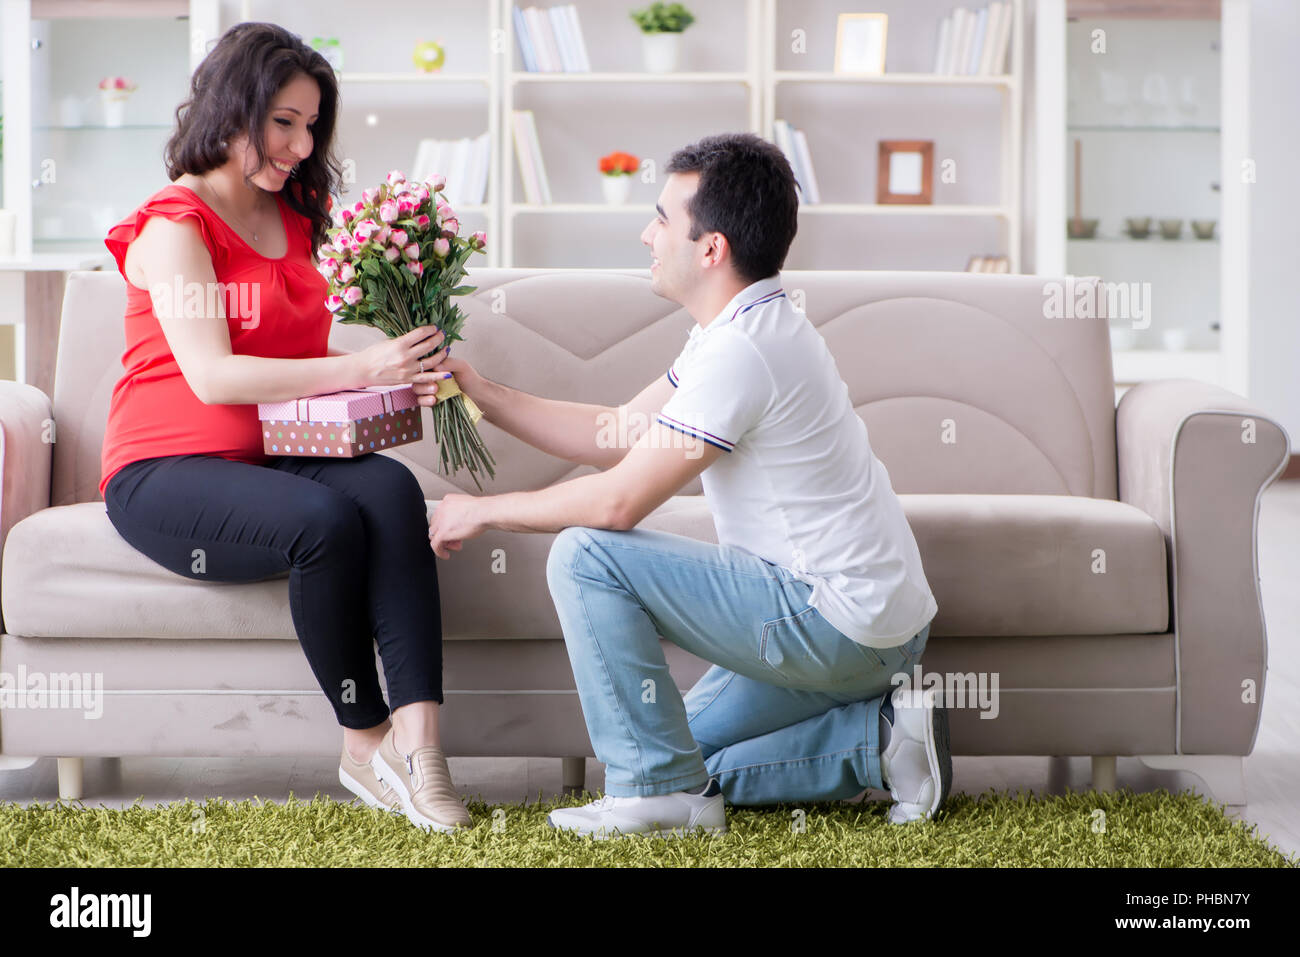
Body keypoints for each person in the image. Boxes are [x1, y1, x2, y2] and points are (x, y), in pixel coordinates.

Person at [415, 132, 950, 839]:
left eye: (662, 217)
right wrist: (480, 391)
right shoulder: (737, 328)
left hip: (836, 621)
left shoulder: (742, 351)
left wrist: (481, 511)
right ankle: (883, 743)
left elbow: (619, 500)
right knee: (676, 751)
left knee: (586, 553)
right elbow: (615, 431)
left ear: (711, 249)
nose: (646, 232)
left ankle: (657, 800)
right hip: (874, 627)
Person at [99, 22, 469, 834]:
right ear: (234, 110)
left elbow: (299, 350)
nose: (302, 145)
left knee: (391, 488)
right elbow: (214, 376)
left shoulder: (300, 216)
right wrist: (359, 368)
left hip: (274, 451)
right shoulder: (174, 226)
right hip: (164, 468)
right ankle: (363, 737)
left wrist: (399, 359)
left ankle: (424, 749)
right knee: (325, 521)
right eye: (284, 122)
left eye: (311, 126)